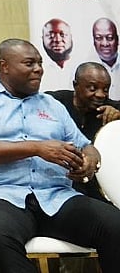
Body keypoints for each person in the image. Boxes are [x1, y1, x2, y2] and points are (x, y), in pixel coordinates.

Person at [0, 39, 120, 273]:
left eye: (40, 63)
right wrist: (36, 148)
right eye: (29, 63)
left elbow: (85, 146)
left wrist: (90, 160)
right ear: (5, 66)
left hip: (57, 197)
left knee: (114, 224)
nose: (38, 69)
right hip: (1, 197)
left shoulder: (52, 105)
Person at [48, 62, 120, 201]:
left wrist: (118, 118)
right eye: (93, 88)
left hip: (99, 185)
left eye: (105, 89)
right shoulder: (54, 102)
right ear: (76, 85)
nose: (100, 95)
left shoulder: (111, 108)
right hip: (60, 182)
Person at [41, 18, 76, 90]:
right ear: (43, 38)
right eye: (51, 35)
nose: (57, 40)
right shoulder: (38, 69)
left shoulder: (80, 65)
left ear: (71, 38)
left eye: (62, 35)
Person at [91, 18, 119, 101]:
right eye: (99, 38)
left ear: (117, 40)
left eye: (109, 38)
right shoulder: (83, 68)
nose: (105, 43)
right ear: (93, 41)